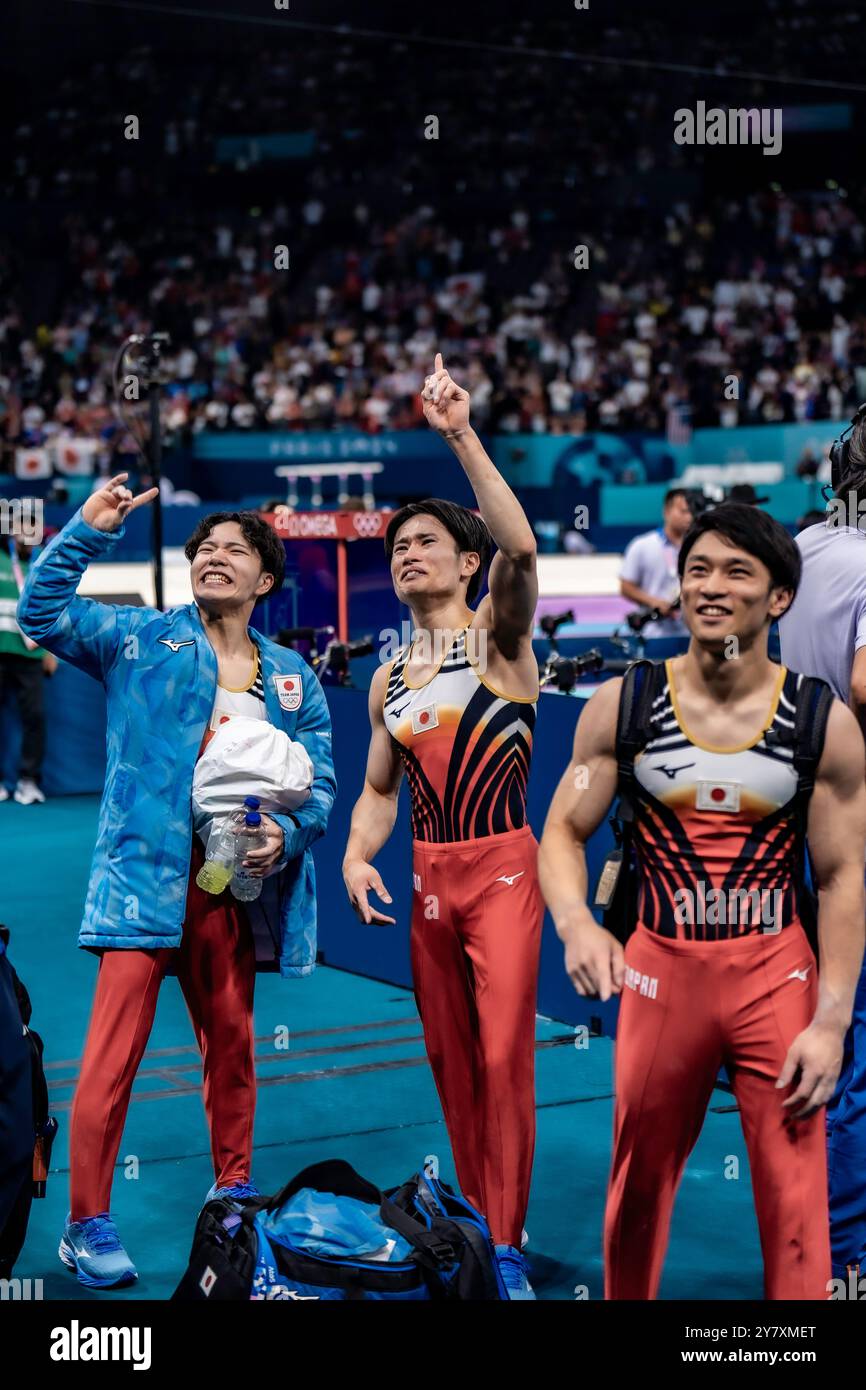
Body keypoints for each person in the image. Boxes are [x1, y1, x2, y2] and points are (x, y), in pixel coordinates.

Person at [538, 502, 866, 1300]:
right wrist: (578, 924)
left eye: (736, 572)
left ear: (778, 598)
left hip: (776, 977)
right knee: (639, 1191)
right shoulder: (625, 705)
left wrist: (831, 1020)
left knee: (794, 1203)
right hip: (659, 975)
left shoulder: (824, 722)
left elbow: (843, 878)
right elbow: (559, 832)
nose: (710, 588)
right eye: (697, 571)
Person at [17, 476, 337, 1289]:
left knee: (231, 1051)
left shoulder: (293, 677)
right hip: (141, 886)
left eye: (235, 549)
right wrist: (86, 530)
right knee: (110, 1061)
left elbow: (322, 783)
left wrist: (289, 832)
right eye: (204, 549)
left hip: (231, 892)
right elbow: (38, 615)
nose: (214, 558)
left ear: (266, 579)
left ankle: (233, 1193)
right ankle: (86, 1220)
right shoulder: (138, 639)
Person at [342, 354, 543, 1299]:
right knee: (451, 1061)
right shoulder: (387, 676)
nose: (406, 554)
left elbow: (526, 548)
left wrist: (459, 432)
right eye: (397, 547)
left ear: (467, 563)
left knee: (505, 1057)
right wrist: (354, 855)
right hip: (427, 883)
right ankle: (473, 1224)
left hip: (504, 871)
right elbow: (380, 790)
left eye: (425, 542)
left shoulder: (499, 638)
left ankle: (508, 1243)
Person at [778, 420, 866, 1284]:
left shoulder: (802, 549)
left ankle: (823, 1249)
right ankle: (847, 1261)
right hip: (860, 825)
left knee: (828, 1035)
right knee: (854, 1044)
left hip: (804, 819)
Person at [0, 536, 58, 804]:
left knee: (35, 718)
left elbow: (49, 613)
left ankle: (28, 781)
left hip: (30, 655)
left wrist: (49, 650)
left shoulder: (41, 567)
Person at [618, 488, 693, 638]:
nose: (689, 517)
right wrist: (654, 602)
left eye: (691, 512)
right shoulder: (642, 545)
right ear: (666, 511)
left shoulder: (697, 547)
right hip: (653, 632)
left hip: (690, 633)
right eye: (683, 511)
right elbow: (626, 587)